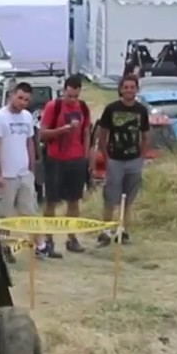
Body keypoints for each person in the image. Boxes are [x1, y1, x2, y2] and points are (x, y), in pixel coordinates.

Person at [0, 82, 45, 259]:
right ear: (12, 95)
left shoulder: (27, 117)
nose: (22, 102)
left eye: (26, 100)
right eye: (20, 98)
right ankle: (4, 248)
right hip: (6, 175)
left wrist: (32, 169)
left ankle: (40, 245)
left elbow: (30, 143)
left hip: (23, 173)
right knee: (4, 215)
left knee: (30, 211)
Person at [93, 73, 150, 246]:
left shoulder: (141, 110)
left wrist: (142, 156)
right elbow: (102, 134)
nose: (129, 90)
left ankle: (123, 230)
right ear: (120, 89)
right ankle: (105, 231)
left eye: (132, 87)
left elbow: (146, 135)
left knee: (128, 198)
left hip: (134, 160)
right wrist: (106, 155)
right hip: (115, 159)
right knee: (111, 197)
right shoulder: (111, 109)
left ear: (136, 89)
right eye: (126, 87)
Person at [39, 74, 93, 256]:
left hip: (76, 160)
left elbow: (86, 133)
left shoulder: (83, 108)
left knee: (74, 201)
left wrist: (85, 157)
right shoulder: (53, 107)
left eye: (76, 96)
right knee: (51, 201)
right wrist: (62, 130)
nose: (72, 100)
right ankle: (48, 238)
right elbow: (42, 134)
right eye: (69, 96)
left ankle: (72, 237)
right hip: (56, 159)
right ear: (64, 91)